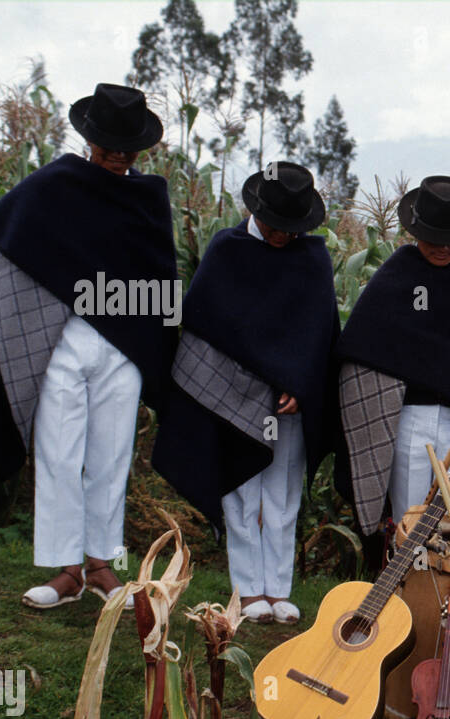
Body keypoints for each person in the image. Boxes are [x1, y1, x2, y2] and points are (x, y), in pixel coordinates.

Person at [0, 83, 176, 610]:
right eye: (107, 144)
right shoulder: (55, 183)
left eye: (126, 147)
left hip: (124, 348)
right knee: (58, 453)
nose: (116, 154)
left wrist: (154, 343)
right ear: (89, 140)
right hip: (60, 342)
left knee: (110, 457)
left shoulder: (148, 197)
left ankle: (102, 566)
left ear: (139, 149)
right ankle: (66, 573)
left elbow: (159, 276)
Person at [152, 161, 338, 624]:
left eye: (290, 229)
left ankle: (279, 590)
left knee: (283, 495)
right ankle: (248, 591)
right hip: (232, 396)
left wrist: (303, 385)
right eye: (275, 226)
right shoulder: (227, 250)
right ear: (256, 211)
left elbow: (319, 334)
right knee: (241, 493)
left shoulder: (312, 259)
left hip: (288, 404)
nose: (281, 236)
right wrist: (238, 385)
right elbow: (208, 328)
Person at [334, 175, 450, 539]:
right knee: (410, 520)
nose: (443, 248)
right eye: (435, 239)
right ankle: (403, 596)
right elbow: (361, 348)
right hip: (410, 422)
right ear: (416, 231)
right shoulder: (396, 277)